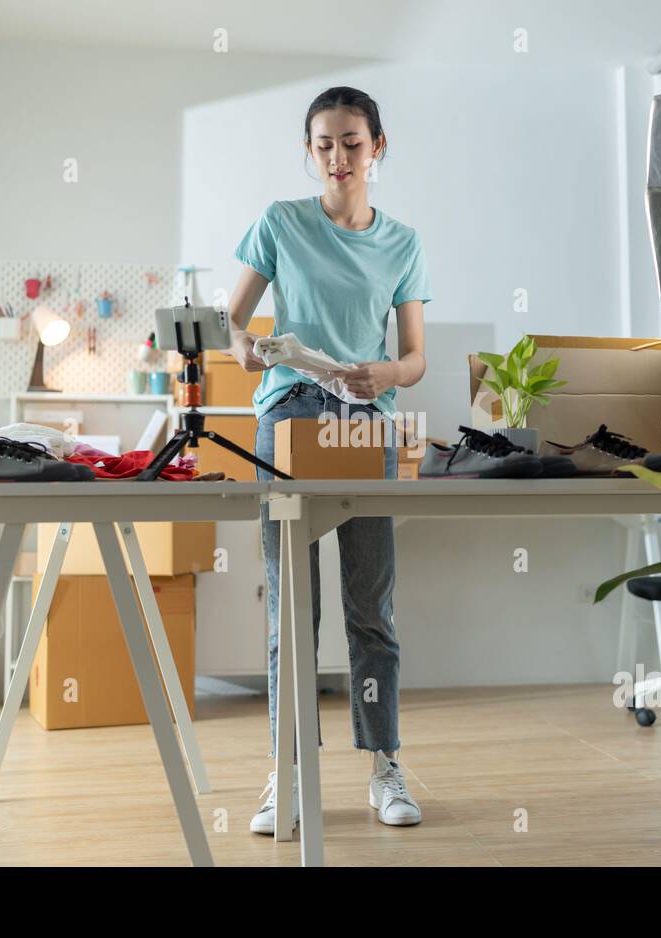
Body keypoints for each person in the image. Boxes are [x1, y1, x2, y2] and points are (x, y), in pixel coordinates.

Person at [224, 86, 432, 835]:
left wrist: (385, 375)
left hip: (367, 423)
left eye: (351, 141)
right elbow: (232, 320)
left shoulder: (403, 243)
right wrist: (243, 347)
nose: (338, 157)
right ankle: (287, 772)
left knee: (370, 606)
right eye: (324, 144)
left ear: (378, 146)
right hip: (289, 417)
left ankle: (384, 766)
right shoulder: (280, 223)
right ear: (310, 151)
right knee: (291, 609)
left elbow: (414, 358)